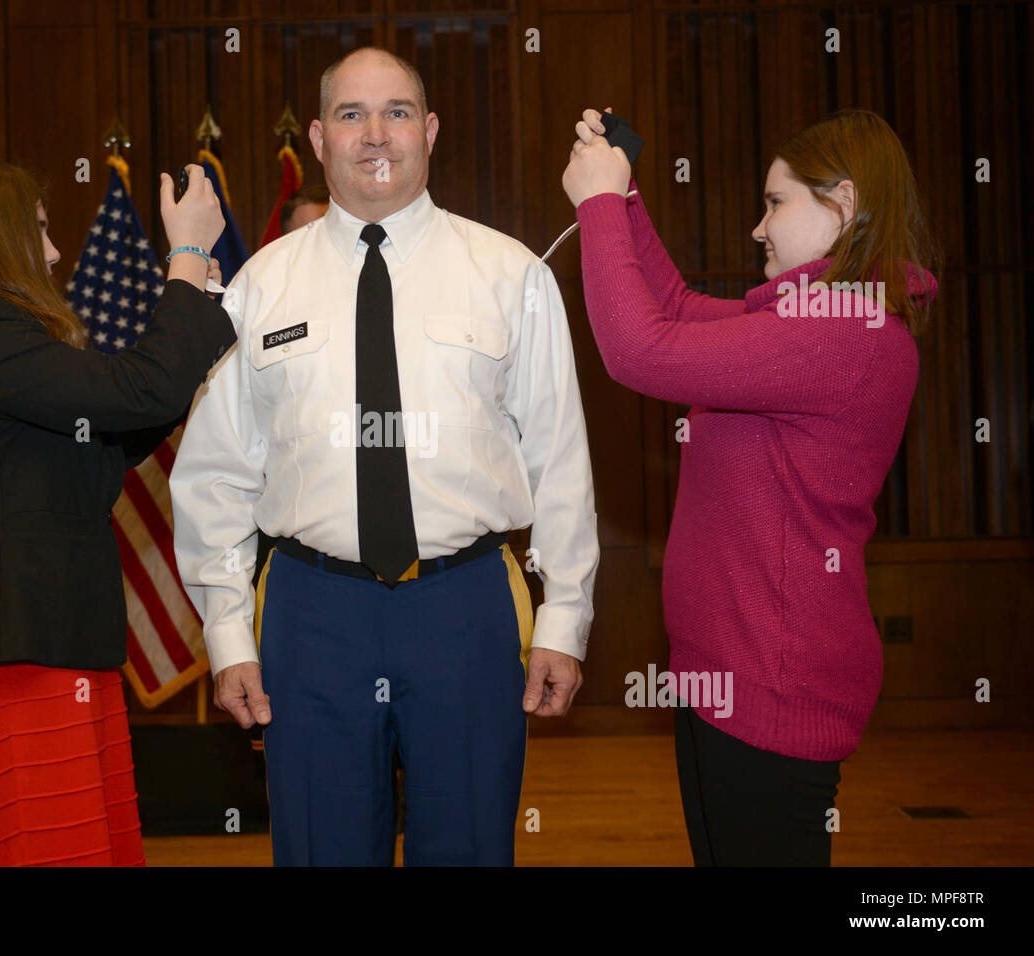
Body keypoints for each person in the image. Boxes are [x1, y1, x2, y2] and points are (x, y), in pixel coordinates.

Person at [170, 47, 599, 866]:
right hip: (311, 614)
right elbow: (216, 475)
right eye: (351, 115)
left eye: (397, 112)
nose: (376, 134)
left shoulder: (511, 275)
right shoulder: (259, 286)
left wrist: (566, 615)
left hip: (465, 611)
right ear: (321, 137)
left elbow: (560, 460)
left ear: (430, 131)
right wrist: (229, 635)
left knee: (470, 849)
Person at [562, 107, 941, 865]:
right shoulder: (812, 321)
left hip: (771, 682)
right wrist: (627, 193)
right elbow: (669, 312)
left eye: (775, 203)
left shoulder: (846, 332)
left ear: (844, 203)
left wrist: (598, 205)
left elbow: (639, 350)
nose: (758, 229)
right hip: (725, 671)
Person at [0, 148, 235, 866]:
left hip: (38, 639)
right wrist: (186, 255)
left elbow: (110, 433)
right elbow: (135, 393)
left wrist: (197, 309)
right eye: (36, 227)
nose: (55, 248)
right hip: (2, 649)